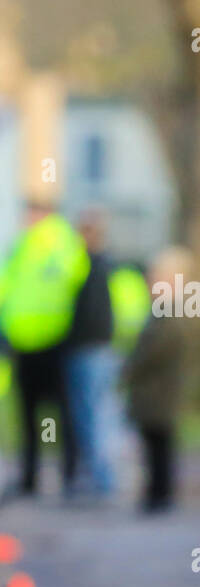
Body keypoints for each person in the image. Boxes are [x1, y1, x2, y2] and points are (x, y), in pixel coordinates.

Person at [0, 202, 88, 498]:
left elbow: (78, 285)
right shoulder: (22, 246)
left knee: (59, 414)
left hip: (54, 342)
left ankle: (68, 474)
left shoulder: (61, 241)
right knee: (32, 416)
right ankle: (32, 477)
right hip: (25, 342)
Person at [122, 247, 189, 513]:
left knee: (159, 445)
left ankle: (160, 494)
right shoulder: (165, 309)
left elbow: (155, 349)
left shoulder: (170, 310)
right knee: (154, 445)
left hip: (159, 391)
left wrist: (130, 367)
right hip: (154, 391)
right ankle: (157, 492)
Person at [64, 206, 119, 502]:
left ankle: (101, 479)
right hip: (98, 350)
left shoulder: (91, 266)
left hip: (89, 351)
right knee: (96, 415)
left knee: (93, 417)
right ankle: (99, 477)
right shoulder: (101, 265)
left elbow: (91, 315)